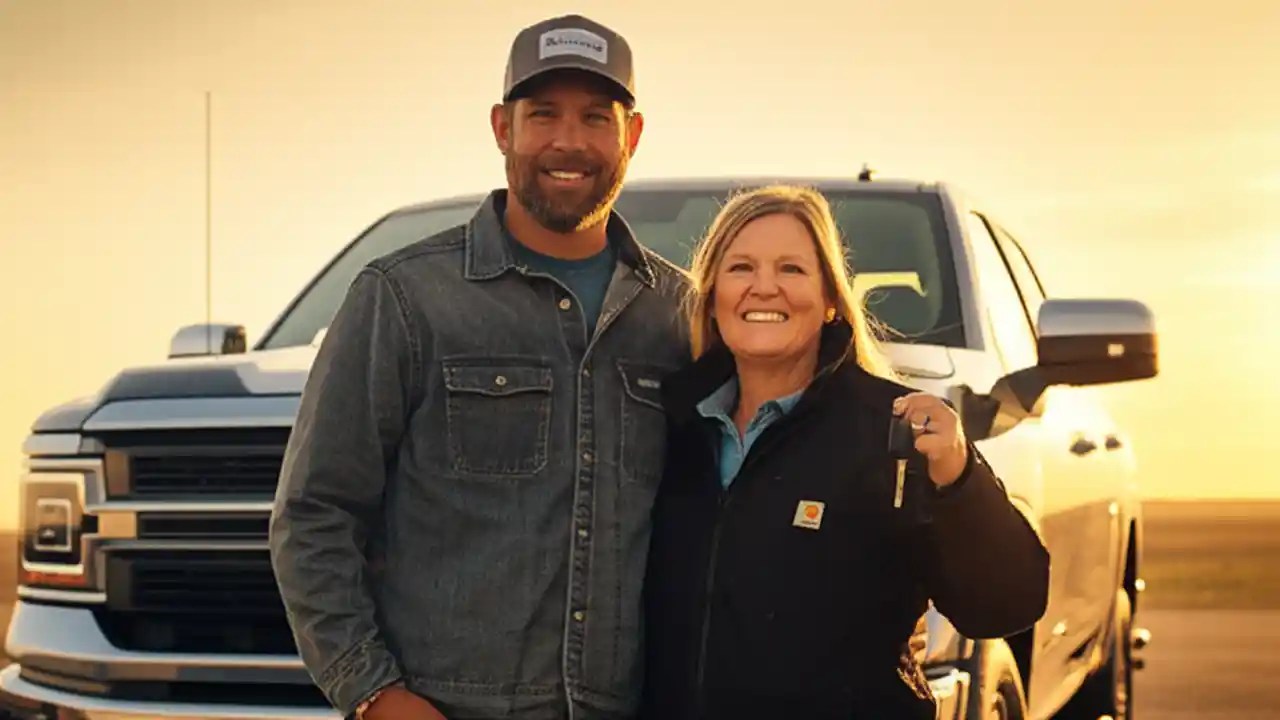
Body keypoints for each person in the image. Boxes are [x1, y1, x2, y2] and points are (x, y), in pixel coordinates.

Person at [268, 14, 689, 720]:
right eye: (543, 114)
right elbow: (313, 513)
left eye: (595, 117)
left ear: (632, 136)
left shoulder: (680, 316)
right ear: (502, 128)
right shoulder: (405, 298)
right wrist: (370, 691)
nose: (569, 141)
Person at [640, 185, 1050, 719]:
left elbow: (1005, 602)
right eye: (741, 268)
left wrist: (958, 476)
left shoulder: (897, 429)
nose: (764, 288)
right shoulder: (667, 429)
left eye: (791, 269)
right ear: (713, 296)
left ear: (831, 298)